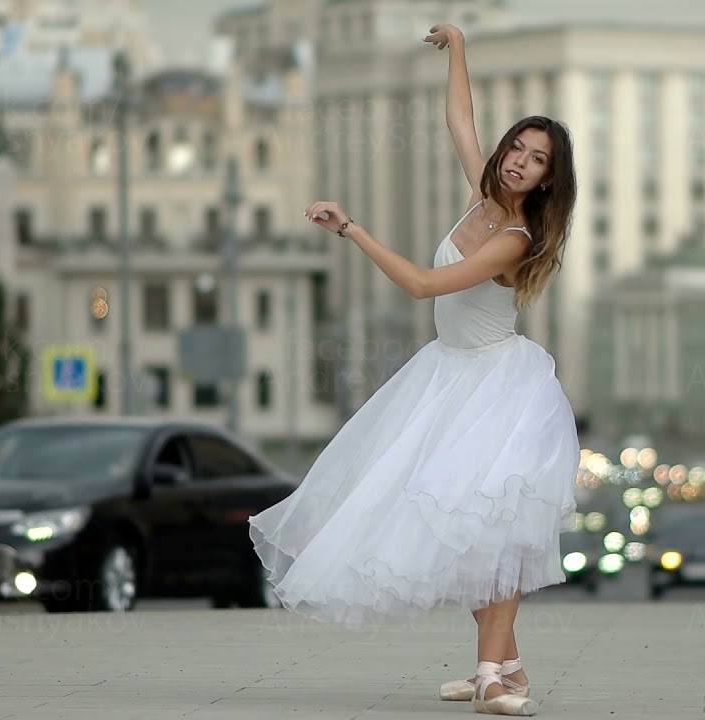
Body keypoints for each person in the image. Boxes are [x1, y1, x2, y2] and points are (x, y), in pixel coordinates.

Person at [248, 22, 579, 717]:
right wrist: (458, 47)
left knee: (496, 530)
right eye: (516, 149)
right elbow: (459, 118)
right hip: (446, 379)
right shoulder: (481, 197)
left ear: (549, 178)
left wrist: (352, 230)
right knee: (460, 528)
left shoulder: (515, 238)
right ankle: (507, 668)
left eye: (537, 159)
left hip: (500, 389)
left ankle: (489, 677)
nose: (520, 162)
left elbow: (426, 286)